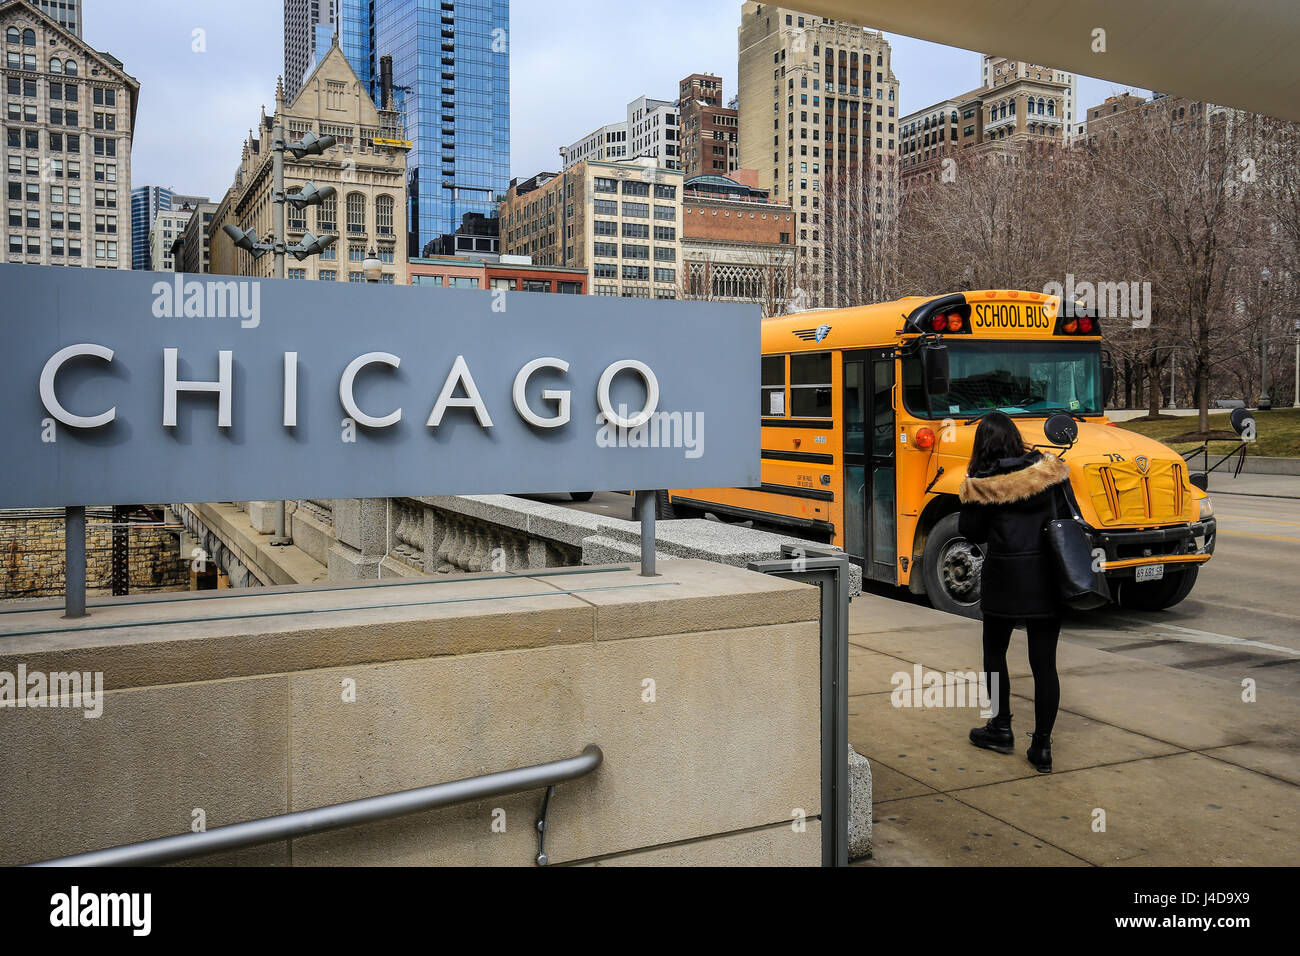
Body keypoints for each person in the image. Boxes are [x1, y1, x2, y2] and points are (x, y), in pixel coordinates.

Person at [958, 412, 1070, 773]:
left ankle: (1001, 726)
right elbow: (1066, 517)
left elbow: (971, 531)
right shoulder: (1048, 472)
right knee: (1044, 665)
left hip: (1005, 574)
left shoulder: (982, 482)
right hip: (1047, 575)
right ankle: (1041, 747)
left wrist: (969, 490)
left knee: (995, 651)